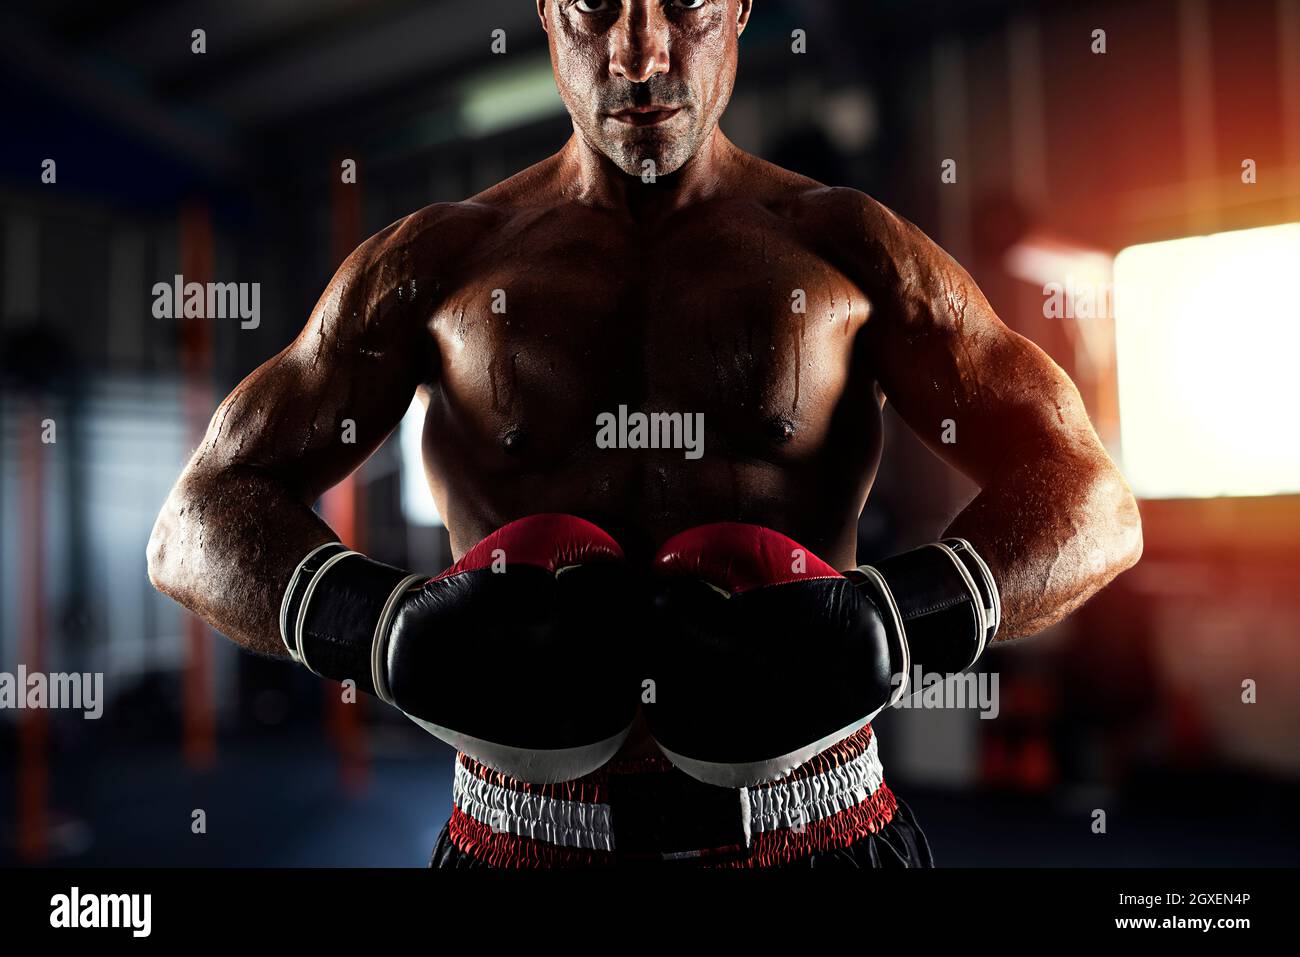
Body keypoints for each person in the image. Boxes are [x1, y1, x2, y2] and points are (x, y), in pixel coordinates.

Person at [147, 0, 1142, 868]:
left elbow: (1092, 498)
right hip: (520, 842)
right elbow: (196, 522)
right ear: (543, 10)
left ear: (743, 6)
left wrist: (896, 621)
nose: (639, 53)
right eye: (593, 6)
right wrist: (376, 628)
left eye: (685, 3)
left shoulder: (844, 245)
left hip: (815, 835)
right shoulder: (440, 261)